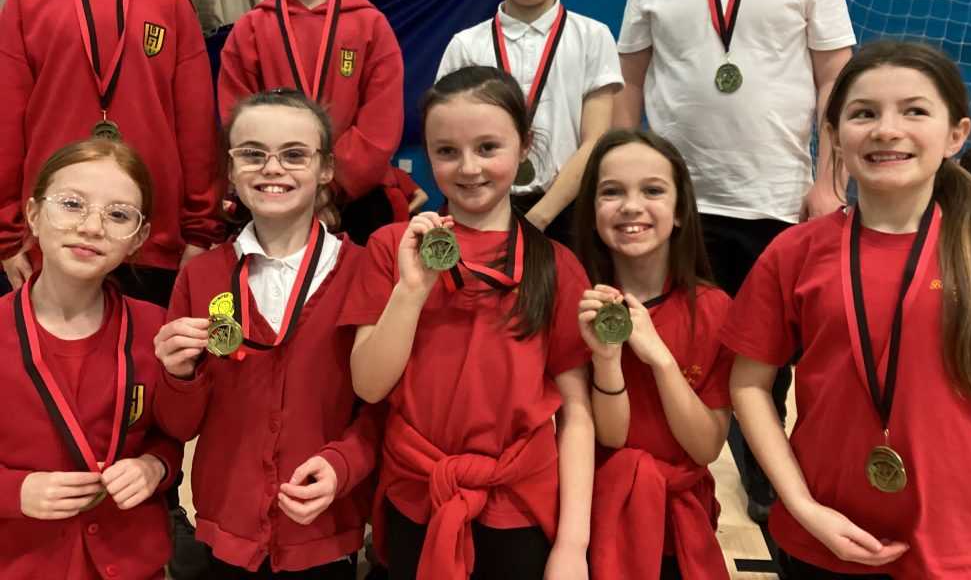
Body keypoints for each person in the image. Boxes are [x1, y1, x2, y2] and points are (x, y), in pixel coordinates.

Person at [613, 0, 856, 519]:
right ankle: (663, 487)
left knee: (764, 366)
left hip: (776, 202)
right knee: (673, 350)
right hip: (676, 210)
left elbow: (834, 80)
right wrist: (619, 181)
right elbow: (630, 85)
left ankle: (766, 499)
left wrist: (829, 182)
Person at [722, 41, 971, 579]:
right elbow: (748, 386)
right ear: (834, 137)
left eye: (914, 110)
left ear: (955, 134)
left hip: (953, 544)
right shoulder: (794, 253)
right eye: (864, 113)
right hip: (820, 537)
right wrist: (802, 505)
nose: (886, 129)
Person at [346, 66, 594, 579]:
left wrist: (573, 545)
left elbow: (576, 414)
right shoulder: (392, 248)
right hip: (419, 493)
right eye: (446, 151)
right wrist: (410, 293)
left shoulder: (556, 265)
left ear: (524, 145)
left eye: (488, 147)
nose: (468, 168)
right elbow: (369, 386)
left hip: (520, 503)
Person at [153, 89, 384, 577]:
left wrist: (345, 465)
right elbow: (178, 427)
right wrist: (177, 375)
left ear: (325, 168)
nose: (272, 168)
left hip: (323, 528)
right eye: (253, 154)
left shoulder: (366, 271)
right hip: (226, 532)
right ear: (232, 170)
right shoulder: (201, 277)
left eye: (295, 154)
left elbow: (384, 408)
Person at [0, 0, 220, 306]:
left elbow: (197, 128)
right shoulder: (26, 1)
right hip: (50, 233)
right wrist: (8, 231)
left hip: (150, 236)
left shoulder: (171, 2)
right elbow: (7, 123)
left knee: (146, 365)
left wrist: (200, 230)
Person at [0, 139, 183, 579]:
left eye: (117, 214)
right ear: (33, 216)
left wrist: (154, 466)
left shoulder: (157, 330)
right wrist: (12, 492)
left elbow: (170, 434)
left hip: (133, 562)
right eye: (71, 204)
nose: (92, 227)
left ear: (138, 237)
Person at [575, 129, 733, 580]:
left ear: (680, 211)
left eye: (652, 190)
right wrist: (606, 360)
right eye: (611, 192)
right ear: (590, 214)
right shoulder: (575, 305)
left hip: (679, 523)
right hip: (593, 512)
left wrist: (660, 359)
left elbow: (705, 445)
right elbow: (612, 439)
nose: (631, 205)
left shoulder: (715, 310)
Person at [217, 0, 404, 245]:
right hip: (273, 191)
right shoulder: (250, 30)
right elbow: (235, 122)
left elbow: (380, 126)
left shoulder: (369, 25)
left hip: (354, 198)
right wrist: (291, 181)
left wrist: (326, 187)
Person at [436, 0, 622, 247]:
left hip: (566, 208)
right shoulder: (465, 45)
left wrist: (540, 216)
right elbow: (447, 140)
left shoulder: (593, 37)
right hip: (480, 206)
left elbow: (595, 141)